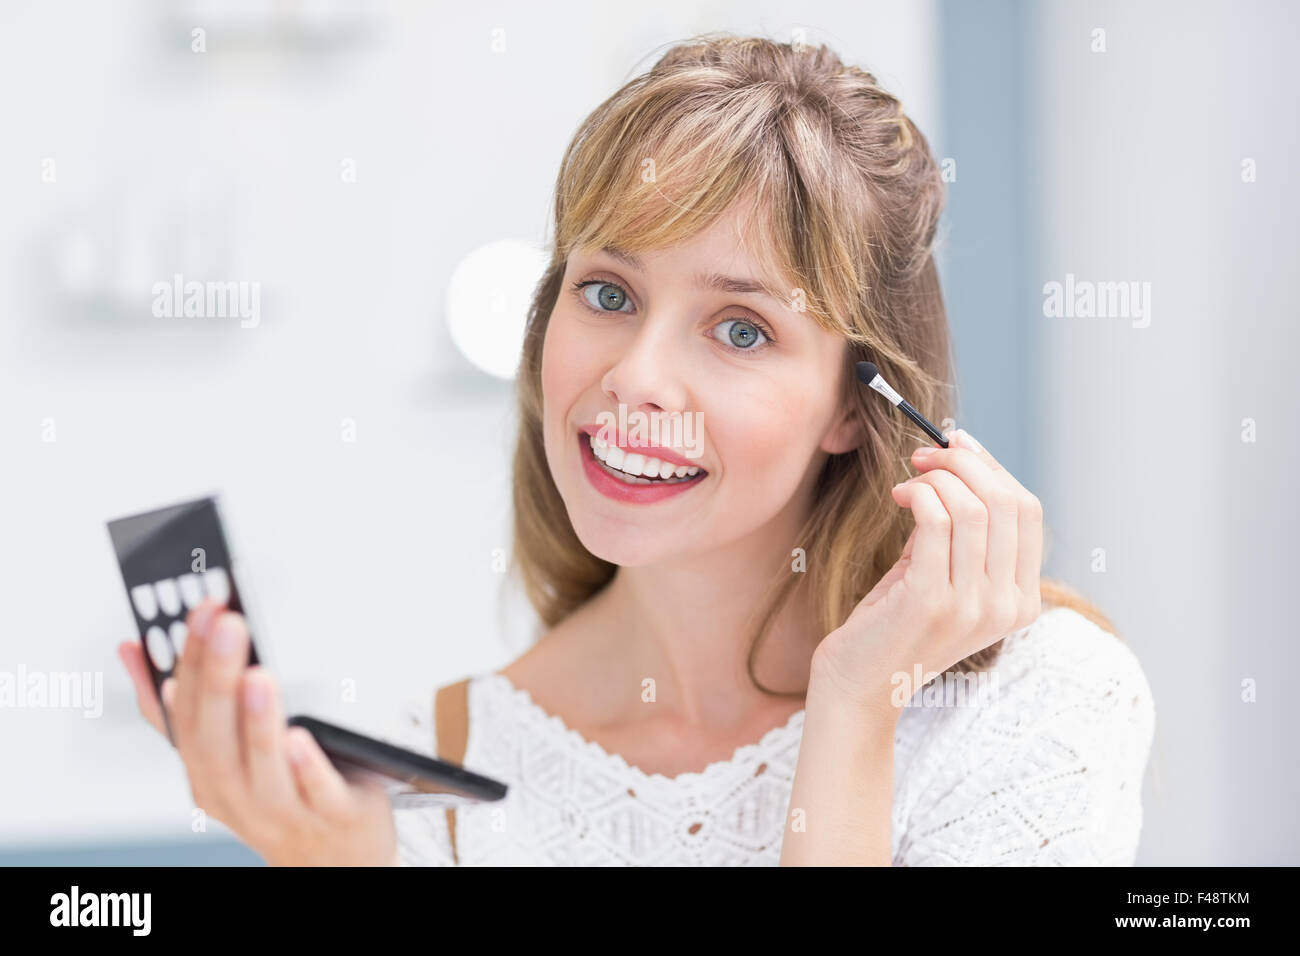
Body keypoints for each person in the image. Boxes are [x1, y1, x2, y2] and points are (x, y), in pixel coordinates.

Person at [119, 32, 1155, 866]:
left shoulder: (1036, 704)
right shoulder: (435, 777)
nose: (634, 377)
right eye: (607, 293)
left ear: (854, 403)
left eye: (741, 328)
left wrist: (855, 705)